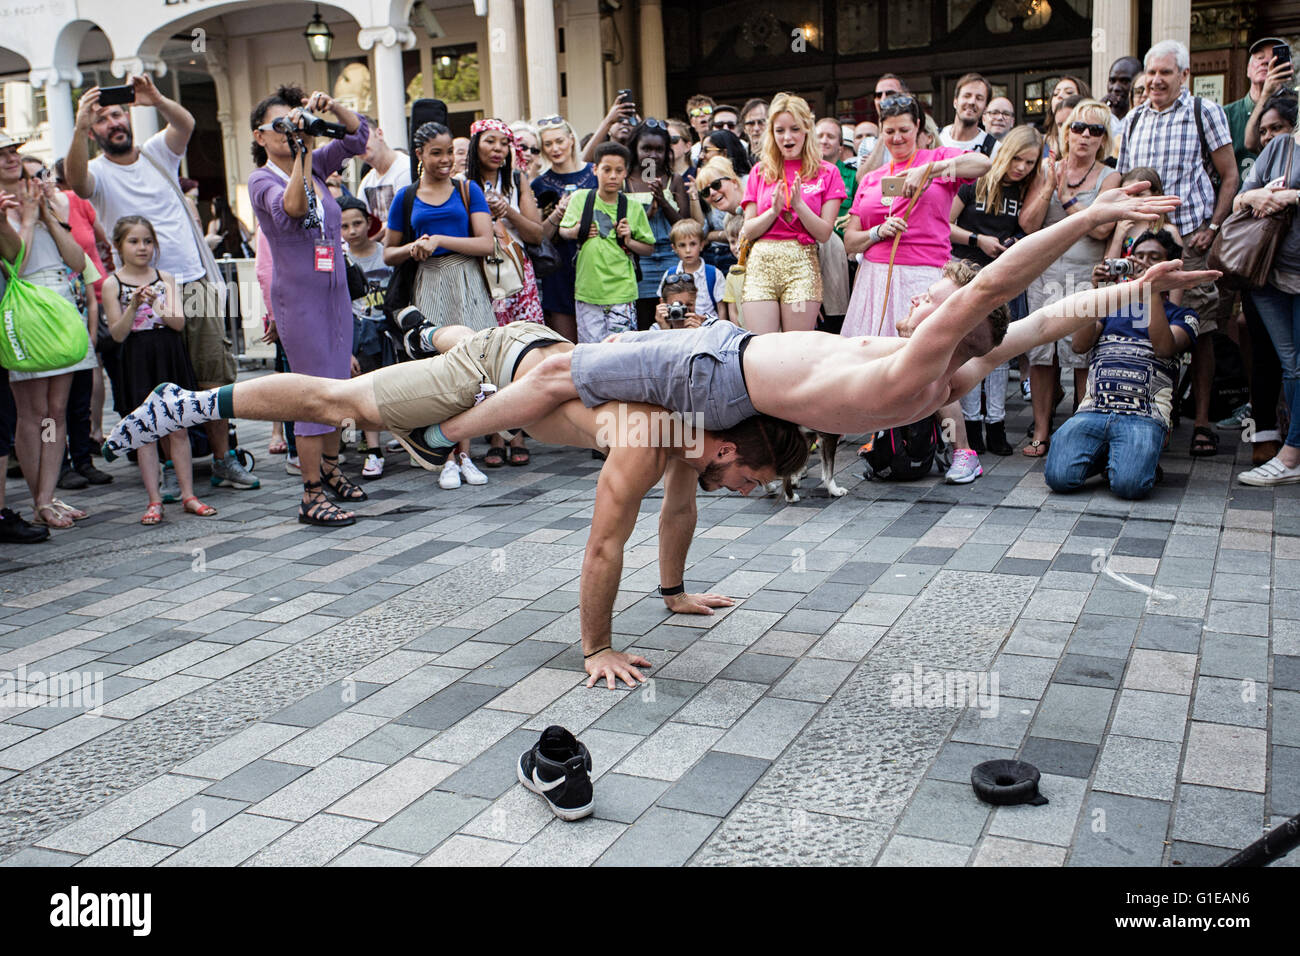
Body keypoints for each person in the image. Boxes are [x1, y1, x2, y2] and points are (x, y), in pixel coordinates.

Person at [101, 320, 809, 690]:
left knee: (469, 344)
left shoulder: (689, 432)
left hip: (528, 349)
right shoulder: (648, 438)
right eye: (755, 480)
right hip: (489, 373)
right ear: (727, 450)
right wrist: (596, 647)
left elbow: (679, 511)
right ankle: (190, 403)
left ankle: (423, 329)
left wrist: (674, 594)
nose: (749, 493)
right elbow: (603, 546)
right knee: (342, 403)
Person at [422, 184, 1199, 448]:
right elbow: (1049, 320)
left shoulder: (921, 366)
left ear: (952, 327)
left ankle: (442, 435)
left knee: (559, 369)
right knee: (560, 387)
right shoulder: (959, 373)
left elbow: (989, 290)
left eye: (932, 301)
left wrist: (1087, 215)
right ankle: (441, 348)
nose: (919, 299)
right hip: (722, 375)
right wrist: (1143, 286)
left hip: (715, 372)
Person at [66, 75, 258, 493]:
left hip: (193, 280)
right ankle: (171, 467)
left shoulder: (156, 153)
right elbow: (75, 180)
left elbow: (185, 124)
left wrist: (155, 98)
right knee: (159, 384)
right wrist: (78, 126)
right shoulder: (96, 172)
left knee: (212, 376)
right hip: (141, 291)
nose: (113, 122)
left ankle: (224, 459)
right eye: (102, 119)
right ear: (93, 132)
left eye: (117, 114)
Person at [248, 84, 370, 527]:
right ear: (260, 136)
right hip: (299, 300)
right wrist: (303, 150)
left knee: (339, 387)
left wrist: (330, 106)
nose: (289, 131)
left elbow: (359, 138)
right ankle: (311, 494)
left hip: (335, 294)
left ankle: (332, 471)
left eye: (293, 122)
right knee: (312, 396)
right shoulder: (262, 179)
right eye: (279, 125)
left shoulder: (316, 164)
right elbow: (294, 210)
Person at [1118, 39, 1239, 458]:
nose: (1156, 80)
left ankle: (1201, 421)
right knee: (1144, 324)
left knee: (1200, 330)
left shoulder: (1204, 112)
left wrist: (1213, 227)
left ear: (1184, 75)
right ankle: (1153, 412)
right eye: (1151, 72)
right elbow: (1124, 183)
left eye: (1165, 72)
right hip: (1142, 244)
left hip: (1190, 241)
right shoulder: (1133, 119)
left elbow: (1230, 175)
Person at [1045, 228, 1198, 499]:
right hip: (1094, 410)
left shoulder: (1183, 315)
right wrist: (1095, 292)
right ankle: (1116, 456)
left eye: (1154, 258)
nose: (1143, 263)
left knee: (1129, 486)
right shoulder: (1110, 307)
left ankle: (1124, 459)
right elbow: (1080, 345)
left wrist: (1150, 290)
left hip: (1144, 415)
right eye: (1138, 256)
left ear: (1171, 271)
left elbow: (1164, 348)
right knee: (1059, 478)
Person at [385, 119, 497, 489]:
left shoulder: (468, 188)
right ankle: (446, 457)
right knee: (438, 369)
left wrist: (440, 239)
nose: (446, 159)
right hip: (427, 281)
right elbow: (388, 253)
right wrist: (415, 247)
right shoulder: (405, 197)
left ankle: (465, 454)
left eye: (450, 151)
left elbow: (486, 243)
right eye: (437, 153)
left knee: (473, 366)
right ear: (419, 154)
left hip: (467, 282)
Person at [841, 94, 991, 339]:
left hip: (924, 276)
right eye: (889, 131)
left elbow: (983, 164)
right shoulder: (871, 178)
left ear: (918, 126)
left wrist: (929, 171)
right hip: (874, 279)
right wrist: (877, 232)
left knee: (918, 350)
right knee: (871, 353)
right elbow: (849, 241)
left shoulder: (937, 159)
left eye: (904, 130)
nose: (897, 138)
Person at [102, 215, 216, 523]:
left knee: (178, 427)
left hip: (168, 353)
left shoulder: (164, 278)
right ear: (119, 246)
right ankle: (154, 499)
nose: (142, 247)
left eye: (148, 241)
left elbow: (178, 323)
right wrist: (132, 306)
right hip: (137, 358)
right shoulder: (112, 284)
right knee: (145, 432)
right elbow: (117, 334)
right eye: (134, 241)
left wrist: (156, 303)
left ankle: (188, 494)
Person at [1024, 99, 1122, 458]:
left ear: (1103, 139)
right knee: (1041, 353)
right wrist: (1049, 186)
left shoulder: (1110, 176)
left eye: (1095, 130)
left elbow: (1102, 229)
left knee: (1082, 355)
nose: (1085, 135)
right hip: (1044, 273)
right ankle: (1041, 430)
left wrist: (1066, 197)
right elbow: (1028, 224)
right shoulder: (1047, 169)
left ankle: (1081, 431)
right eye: (1078, 128)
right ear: (1066, 133)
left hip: (1085, 275)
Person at [0, 148, 92, 530]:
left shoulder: (53, 204)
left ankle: (47, 495)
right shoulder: (4, 210)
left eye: (15, 154)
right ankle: (38, 496)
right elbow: (15, 266)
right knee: (32, 412)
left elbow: (77, 261)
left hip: (60, 306)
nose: (11, 160)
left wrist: (47, 216)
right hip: (25, 309)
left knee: (56, 410)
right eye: (3, 155)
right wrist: (26, 218)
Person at [949, 125, 1051, 461]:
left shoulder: (1024, 190)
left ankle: (996, 424)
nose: (1021, 167)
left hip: (1002, 275)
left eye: (1029, 162)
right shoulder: (974, 181)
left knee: (998, 350)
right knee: (966, 349)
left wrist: (1013, 243)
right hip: (965, 271)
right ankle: (972, 424)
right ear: (1005, 152)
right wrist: (978, 240)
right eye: (1017, 158)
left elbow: (1028, 230)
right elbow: (945, 224)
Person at [23, 156, 112, 493]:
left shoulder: (61, 219)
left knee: (74, 405)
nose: (40, 182)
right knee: (46, 411)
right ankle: (57, 466)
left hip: (73, 326)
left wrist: (90, 333)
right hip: (41, 328)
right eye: (32, 176)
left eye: (43, 174)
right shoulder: (20, 223)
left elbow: (86, 278)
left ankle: (82, 459)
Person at [467, 117, 546, 466]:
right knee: (490, 353)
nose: (498, 149)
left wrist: (506, 209)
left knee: (522, 351)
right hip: (481, 274)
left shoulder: (516, 179)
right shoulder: (463, 183)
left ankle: (518, 430)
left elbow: (536, 233)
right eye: (490, 141)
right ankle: (496, 433)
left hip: (517, 274)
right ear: (476, 145)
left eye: (504, 143)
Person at [740, 92, 845, 334]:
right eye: (780, 130)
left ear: (807, 129)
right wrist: (773, 211)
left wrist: (799, 205)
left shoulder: (827, 172)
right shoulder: (760, 171)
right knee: (761, 346)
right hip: (761, 264)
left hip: (802, 264)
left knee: (796, 346)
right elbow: (748, 229)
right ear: (772, 133)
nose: (787, 137)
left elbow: (824, 233)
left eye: (794, 129)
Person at [1234, 122, 1300, 486]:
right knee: (1292, 366)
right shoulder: (1281, 147)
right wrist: (1255, 197)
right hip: (1267, 272)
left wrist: (1292, 197)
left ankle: (1290, 454)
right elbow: (1238, 200)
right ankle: (1291, 454)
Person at [558, 142, 654, 342]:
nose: (613, 176)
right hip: (588, 291)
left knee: (621, 349)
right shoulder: (580, 198)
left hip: (622, 291)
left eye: (618, 171)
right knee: (591, 349)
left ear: (625, 172)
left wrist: (629, 239)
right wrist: (577, 231)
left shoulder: (633, 207)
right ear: (595, 169)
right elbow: (563, 231)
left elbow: (648, 248)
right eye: (606, 170)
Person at [625, 119, 696, 330]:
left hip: (671, 258)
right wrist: (649, 212)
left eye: (659, 150)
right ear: (635, 149)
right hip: (639, 261)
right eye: (646, 149)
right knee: (644, 320)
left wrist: (663, 201)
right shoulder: (625, 181)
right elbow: (624, 227)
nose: (653, 155)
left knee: (674, 318)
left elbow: (684, 226)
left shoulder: (674, 179)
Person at [339, 197, 392, 478]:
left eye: (357, 223)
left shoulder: (386, 254)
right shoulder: (339, 260)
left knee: (395, 389)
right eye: (344, 226)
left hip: (389, 331)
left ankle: (407, 441)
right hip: (359, 333)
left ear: (369, 222)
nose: (352, 231)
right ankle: (372, 450)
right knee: (364, 390)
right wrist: (345, 351)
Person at [531, 115, 595, 344]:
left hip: (595, 266)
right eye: (548, 144)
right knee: (567, 346)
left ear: (571, 140)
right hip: (559, 270)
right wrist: (558, 213)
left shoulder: (595, 173)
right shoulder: (539, 184)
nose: (555, 148)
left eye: (559, 141)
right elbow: (539, 237)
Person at [1232, 38, 1296, 180]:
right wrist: (1266, 94)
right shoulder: (1227, 114)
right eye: (1260, 58)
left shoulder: (1296, 103)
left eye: (1274, 58)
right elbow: (1250, 144)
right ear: (1248, 70)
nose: (1265, 62)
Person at [657, 219, 727, 322]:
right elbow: (663, 304)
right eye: (682, 245)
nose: (688, 250)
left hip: (708, 327)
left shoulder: (714, 274)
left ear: (702, 245)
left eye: (693, 244)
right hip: (679, 327)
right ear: (674, 248)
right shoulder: (670, 274)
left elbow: (722, 310)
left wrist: (721, 329)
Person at [357, 119, 412, 224]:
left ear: (379, 134)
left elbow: (404, 219)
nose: (359, 144)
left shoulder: (406, 169)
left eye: (362, 136)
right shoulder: (366, 183)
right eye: (351, 143)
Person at [939, 73, 998, 156]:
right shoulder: (935, 138)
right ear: (955, 101)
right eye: (967, 96)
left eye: (979, 98)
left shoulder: (994, 149)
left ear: (985, 108)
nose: (972, 102)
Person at [1042, 75, 1091, 159]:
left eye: (1069, 92)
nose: (1060, 96)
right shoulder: (1040, 143)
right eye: (1055, 94)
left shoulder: (1092, 138)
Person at [719, 213, 747, 327]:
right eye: (732, 242)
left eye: (741, 240)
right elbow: (733, 311)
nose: (737, 246)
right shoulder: (732, 275)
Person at [1104, 56, 1143, 129]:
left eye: (1124, 81)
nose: (1116, 88)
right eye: (1112, 81)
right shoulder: (1101, 117)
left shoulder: (1144, 118)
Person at [686, 94, 717, 164]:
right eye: (696, 112)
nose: (702, 115)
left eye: (707, 110)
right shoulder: (691, 154)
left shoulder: (730, 145)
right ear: (692, 122)